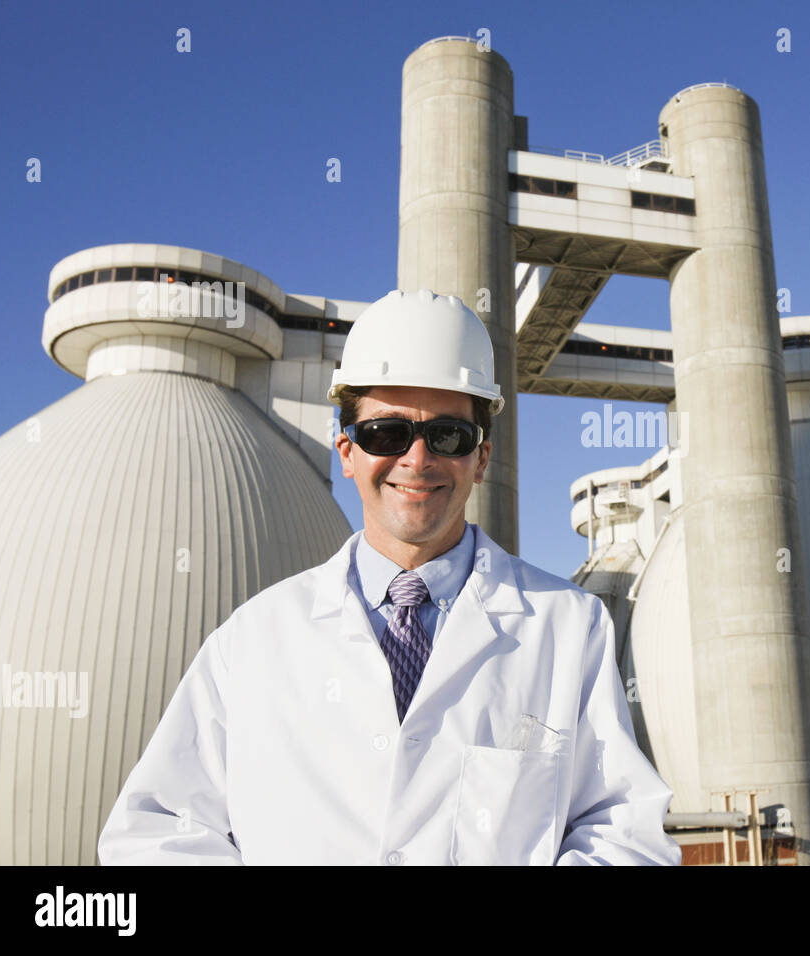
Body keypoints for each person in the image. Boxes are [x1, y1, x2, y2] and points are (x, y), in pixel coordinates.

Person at [98, 289, 681, 865]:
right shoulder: (252, 641)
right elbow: (156, 834)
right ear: (347, 450)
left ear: (481, 458)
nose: (417, 459)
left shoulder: (568, 627)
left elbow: (623, 830)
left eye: (448, 435)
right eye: (386, 433)